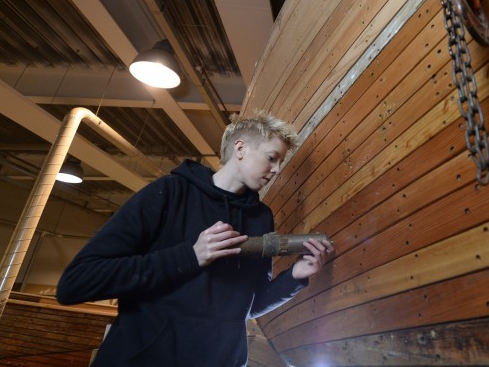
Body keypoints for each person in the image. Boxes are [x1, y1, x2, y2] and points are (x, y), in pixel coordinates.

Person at [56, 112, 333, 366]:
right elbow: (76, 283)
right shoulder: (169, 192)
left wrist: (294, 277)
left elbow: (248, 307)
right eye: (272, 157)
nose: (276, 169)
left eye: (280, 162)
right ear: (240, 148)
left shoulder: (260, 217)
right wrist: (190, 256)